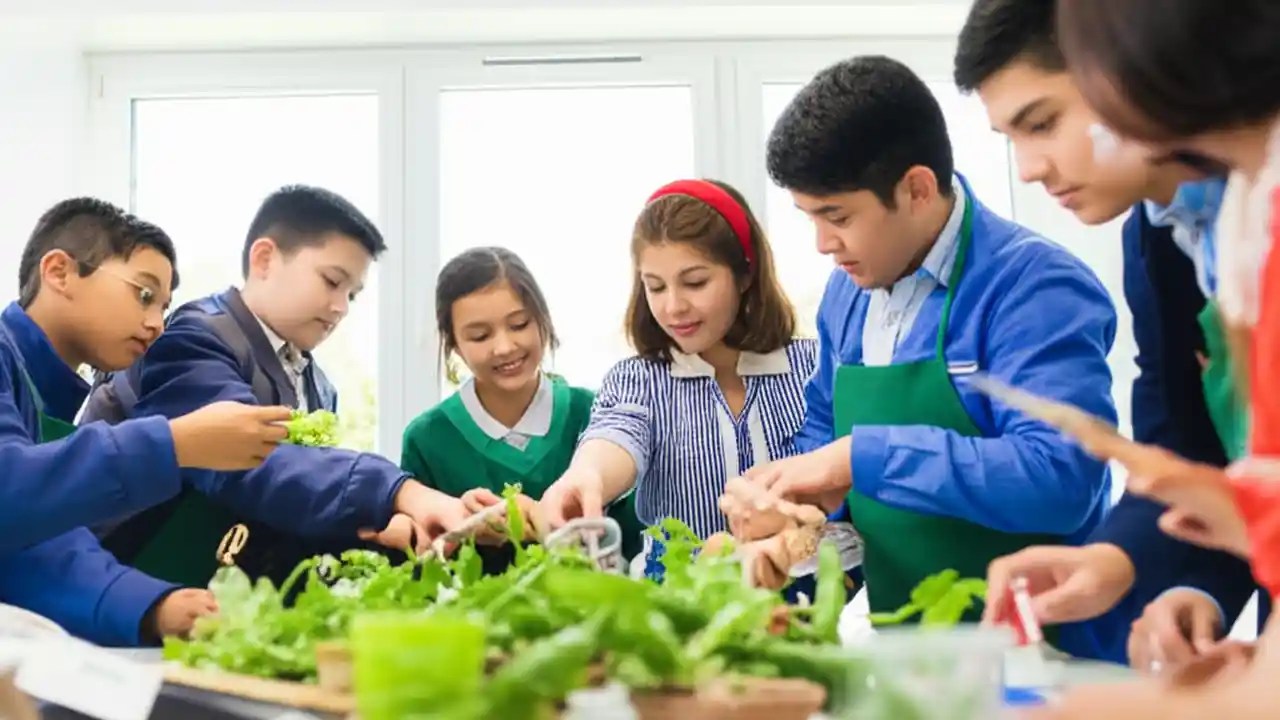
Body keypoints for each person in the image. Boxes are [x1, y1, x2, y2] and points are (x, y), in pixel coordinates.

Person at [738, 55, 1117, 655]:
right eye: (809, 218)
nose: (821, 244)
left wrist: (861, 458)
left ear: (915, 189)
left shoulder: (1035, 287)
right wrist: (789, 505)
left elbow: (1060, 479)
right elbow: (823, 427)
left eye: (837, 217)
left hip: (1048, 654)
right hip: (911, 646)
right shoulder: (848, 293)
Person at [953, 0, 1263, 669]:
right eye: (1011, 138)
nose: (1030, 168)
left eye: (1043, 123)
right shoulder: (1155, 237)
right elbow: (1188, 447)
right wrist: (1123, 560)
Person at [84, 185, 467, 589]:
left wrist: (381, 525)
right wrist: (396, 492)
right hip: (124, 582)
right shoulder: (192, 340)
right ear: (264, 258)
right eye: (332, 281)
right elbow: (244, 465)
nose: (341, 307)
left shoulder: (318, 385)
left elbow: (295, 501)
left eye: (352, 294)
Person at [0, 198, 291, 645]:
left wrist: (151, 605)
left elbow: (37, 542)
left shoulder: (48, 397)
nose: (156, 324)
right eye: (143, 294)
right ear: (59, 272)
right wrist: (175, 444)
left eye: (164, 306)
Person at [538, 179, 819, 582]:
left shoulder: (813, 368)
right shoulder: (638, 380)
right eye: (655, 286)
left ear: (744, 274)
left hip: (808, 598)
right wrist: (585, 476)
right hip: (678, 604)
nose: (673, 307)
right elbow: (615, 434)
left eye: (695, 282)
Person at [400, 246, 643, 574]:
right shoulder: (427, 440)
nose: (504, 347)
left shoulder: (598, 417)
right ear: (454, 344)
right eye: (480, 335)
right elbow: (422, 560)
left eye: (519, 324)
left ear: (543, 319)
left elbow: (631, 544)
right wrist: (464, 526)